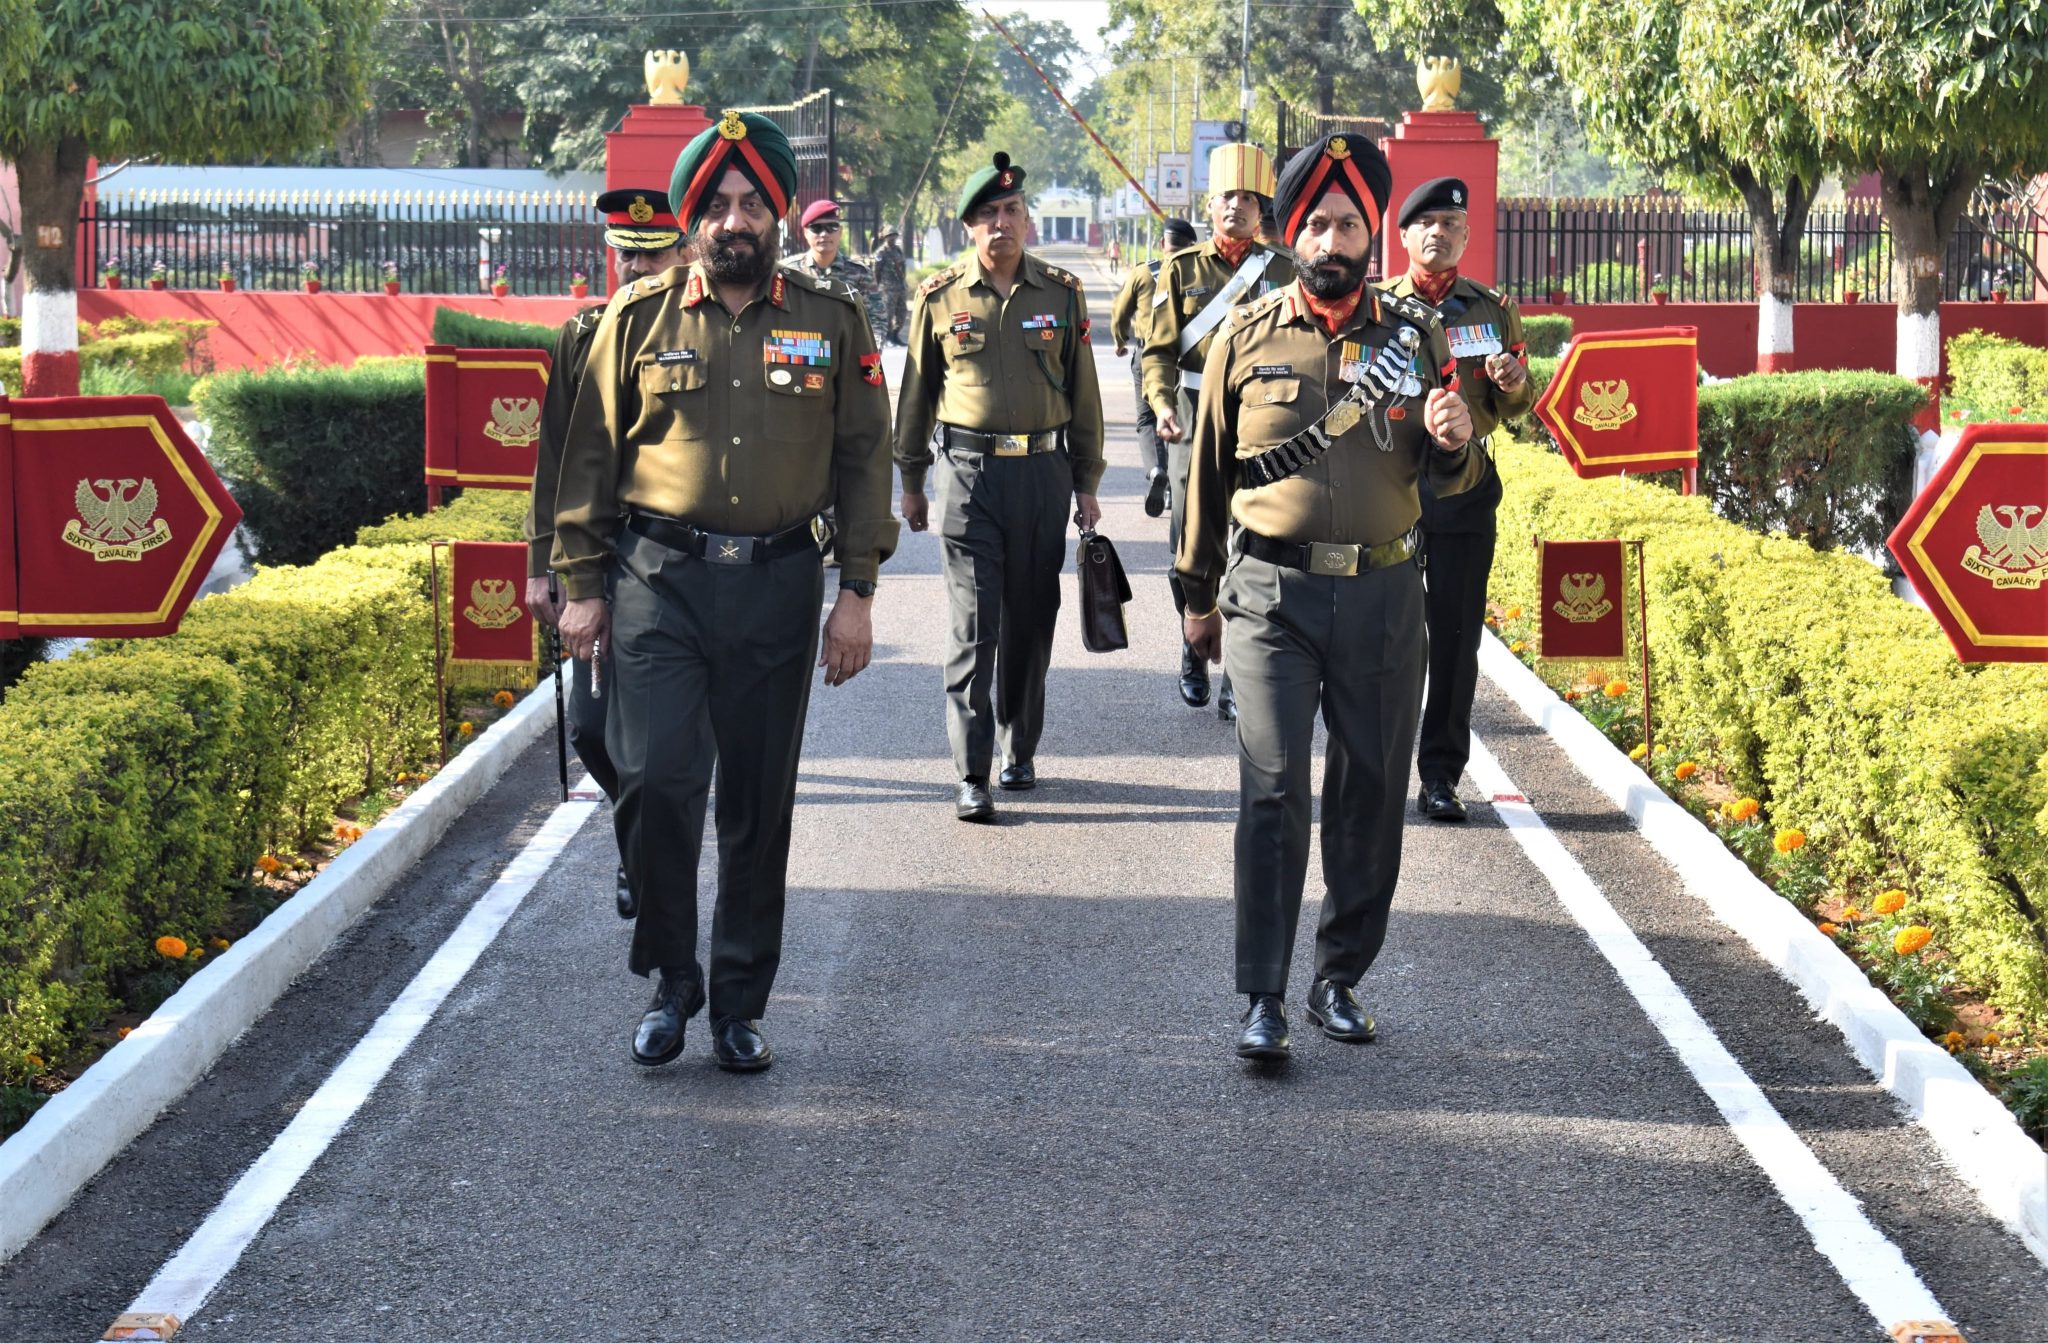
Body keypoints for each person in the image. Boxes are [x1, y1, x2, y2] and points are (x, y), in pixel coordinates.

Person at [552, 111, 897, 1072]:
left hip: (780, 585)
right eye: (717, 205)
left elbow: (866, 456)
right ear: (692, 217)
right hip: (657, 582)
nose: (734, 220)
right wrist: (581, 582)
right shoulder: (636, 321)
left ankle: (739, 1000)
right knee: (658, 783)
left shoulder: (833, 323)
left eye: (751, 203)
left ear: (778, 214)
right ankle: (673, 978)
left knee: (757, 802)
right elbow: (587, 458)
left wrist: (858, 589)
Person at [1177, 132, 1479, 1062]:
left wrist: (1457, 439)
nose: (1334, 238)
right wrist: (1196, 596)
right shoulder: (1247, 334)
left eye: (1350, 222)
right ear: (1292, 233)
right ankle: (1262, 994)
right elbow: (1206, 474)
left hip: (1387, 592)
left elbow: (1452, 482)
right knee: (1273, 791)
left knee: (1371, 792)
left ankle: (1337, 976)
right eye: (1318, 222)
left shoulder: (1416, 339)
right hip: (1272, 594)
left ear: (1369, 233)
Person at [895, 152, 1106, 822]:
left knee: (1030, 619)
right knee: (975, 622)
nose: (1000, 223)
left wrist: (1087, 481)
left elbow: (1085, 394)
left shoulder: (1061, 294)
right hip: (966, 476)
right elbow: (916, 396)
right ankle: (972, 769)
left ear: (1027, 220)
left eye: (1011, 210)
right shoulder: (938, 298)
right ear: (968, 228)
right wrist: (910, 481)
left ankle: (1020, 745)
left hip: (1042, 475)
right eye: (987, 214)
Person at [524, 187, 692, 920]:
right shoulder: (583, 332)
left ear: (683, 255)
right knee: (593, 727)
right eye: (625, 254)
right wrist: (541, 565)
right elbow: (554, 455)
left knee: (659, 737)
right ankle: (639, 842)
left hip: (670, 559)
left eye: (649, 255)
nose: (634, 268)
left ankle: (650, 857)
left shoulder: (704, 330)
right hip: (597, 559)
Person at [1382, 176, 1534, 823]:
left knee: (1454, 641)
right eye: (1428, 223)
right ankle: (1378, 766)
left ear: (1467, 236)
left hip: (1465, 490)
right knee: (1384, 638)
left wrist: (1516, 381)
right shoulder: (1377, 308)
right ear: (1406, 235)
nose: (1439, 233)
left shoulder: (1491, 310)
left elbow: (1515, 407)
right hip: (1389, 491)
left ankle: (1440, 774)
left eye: (1452, 224)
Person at [1144, 143, 1293, 719]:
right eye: (1228, 197)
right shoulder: (1178, 272)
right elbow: (1157, 353)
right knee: (1191, 536)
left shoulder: (1282, 271)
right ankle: (1192, 646)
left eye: (1249, 199)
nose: (1237, 207)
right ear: (1210, 206)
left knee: (1250, 540)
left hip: (1260, 417)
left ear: (1262, 211)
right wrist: (1160, 404)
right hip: (1189, 413)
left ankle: (1238, 670)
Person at [1108, 216, 1197, 520]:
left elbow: (1120, 312)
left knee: (1148, 417)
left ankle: (1156, 469)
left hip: (1148, 354)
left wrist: (1119, 340)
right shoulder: (1194, 272)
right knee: (1179, 417)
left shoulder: (1143, 273)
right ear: (1192, 246)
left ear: (1162, 244)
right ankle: (1175, 485)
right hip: (1187, 356)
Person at [783, 198, 878, 330]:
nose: (824, 234)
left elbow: (876, 318)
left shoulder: (861, 274)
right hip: (800, 348)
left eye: (831, 227)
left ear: (840, 231)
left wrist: (872, 349)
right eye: (816, 228)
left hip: (847, 349)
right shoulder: (787, 272)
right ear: (805, 232)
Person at [871, 224, 908, 345]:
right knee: (888, 314)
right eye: (889, 236)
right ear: (885, 237)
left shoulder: (898, 250)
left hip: (900, 287)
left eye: (894, 235)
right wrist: (878, 287)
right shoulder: (881, 252)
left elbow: (903, 266)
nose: (892, 238)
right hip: (887, 288)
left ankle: (895, 335)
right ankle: (888, 337)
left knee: (902, 314)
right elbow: (876, 271)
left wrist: (903, 281)